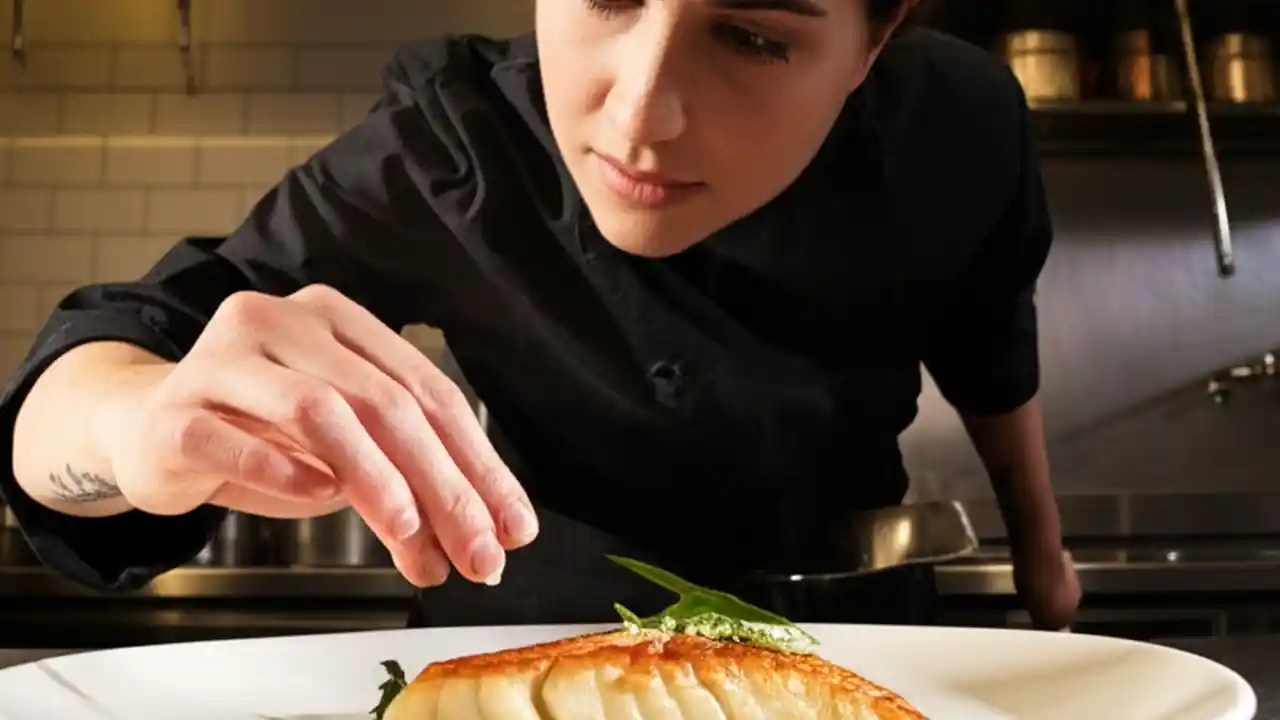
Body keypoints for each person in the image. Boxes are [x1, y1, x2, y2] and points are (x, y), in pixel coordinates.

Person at [1, 0, 1079, 630]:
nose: (638, 115)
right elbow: (131, 347)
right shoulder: (455, 143)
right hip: (530, 615)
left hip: (846, 617)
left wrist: (1044, 560)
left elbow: (991, 350)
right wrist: (132, 427)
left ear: (873, 42)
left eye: (751, 38)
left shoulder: (962, 126)